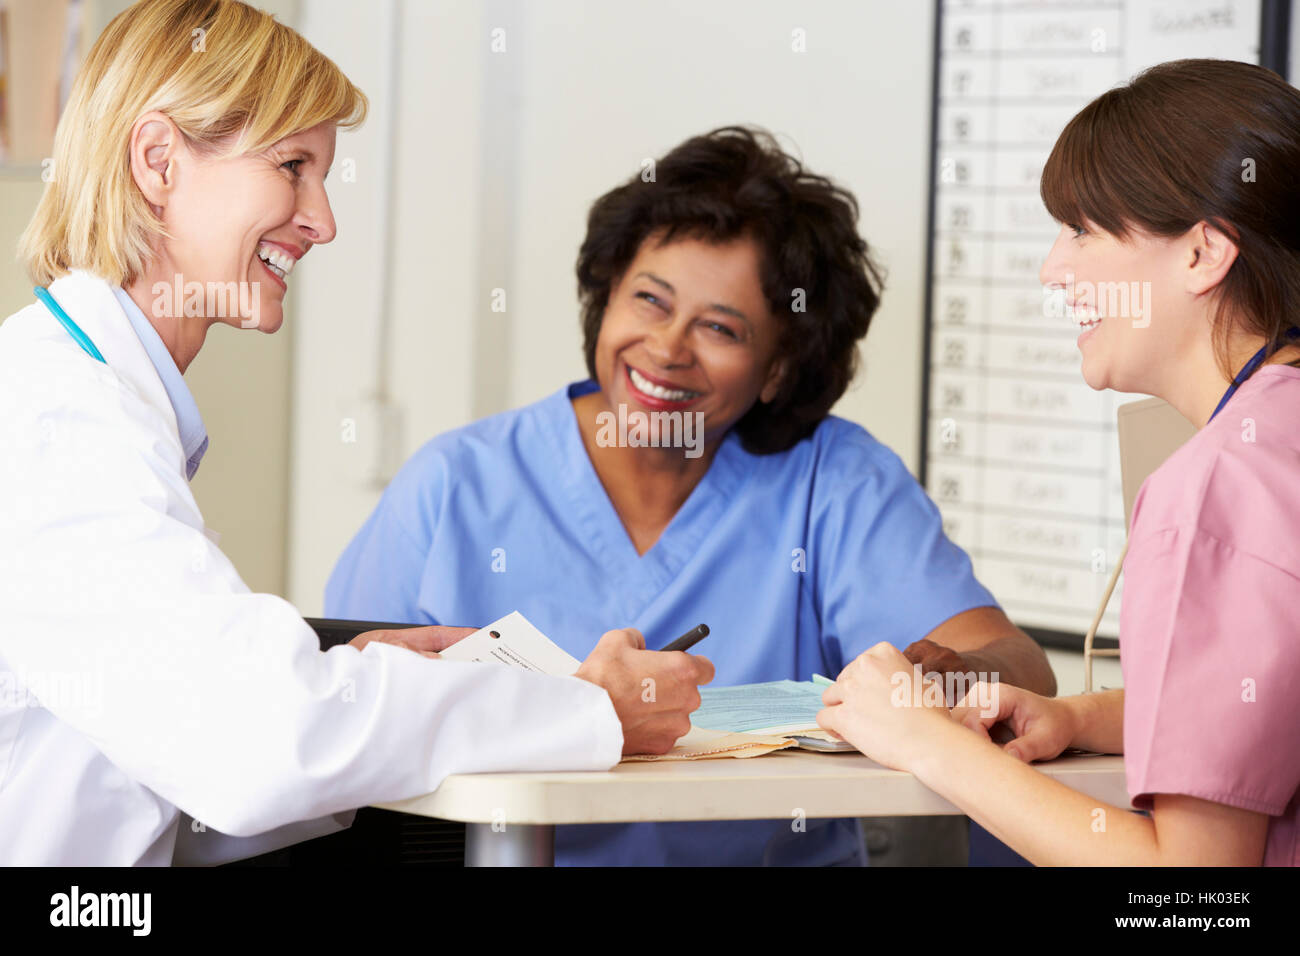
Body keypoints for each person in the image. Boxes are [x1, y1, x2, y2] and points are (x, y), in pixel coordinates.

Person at [0, 0, 710, 866]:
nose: (322, 221)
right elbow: (253, 745)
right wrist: (591, 711)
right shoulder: (57, 420)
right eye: (292, 165)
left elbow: (175, 756)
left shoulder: (86, 399)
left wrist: (349, 672)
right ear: (158, 160)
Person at [326, 125, 1057, 866]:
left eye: (719, 327)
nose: (668, 348)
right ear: (607, 297)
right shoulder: (456, 482)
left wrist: (939, 681)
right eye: (649, 300)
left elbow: (1020, 667)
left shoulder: (835, 480)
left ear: (777, 369)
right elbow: (347, 711)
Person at [819, 58, 1300, 866]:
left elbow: (1193, 901)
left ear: (1202, 255)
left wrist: (925, 743)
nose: (1054, 269)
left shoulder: (1212, 489)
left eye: (1083, 230)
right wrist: (1082, 717)